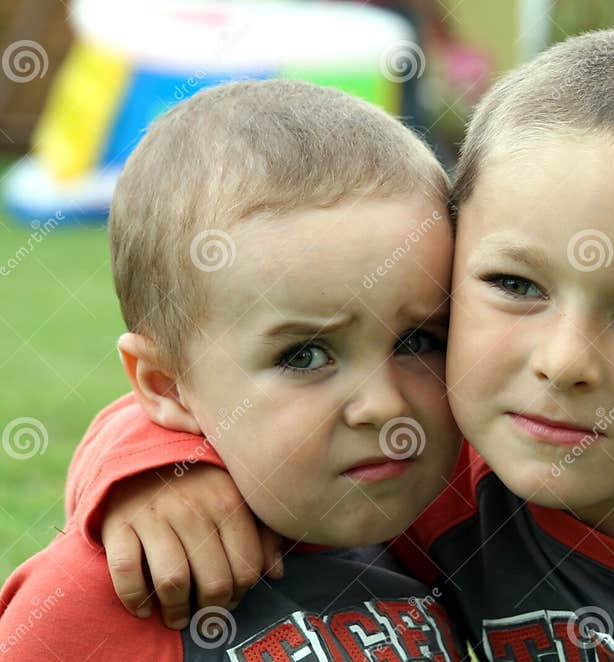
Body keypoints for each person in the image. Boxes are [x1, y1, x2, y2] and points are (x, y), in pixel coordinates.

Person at [25, 30, 614, 660]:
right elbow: (221, 389)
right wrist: (156, 466)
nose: (564, 360)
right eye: (515, 287)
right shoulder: (430, 472)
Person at [0, 79, 466, 660]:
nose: (384, 405)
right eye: (303, 355)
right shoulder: (112, 588)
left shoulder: (448, 524)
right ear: (166, 385)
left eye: (418, 340)